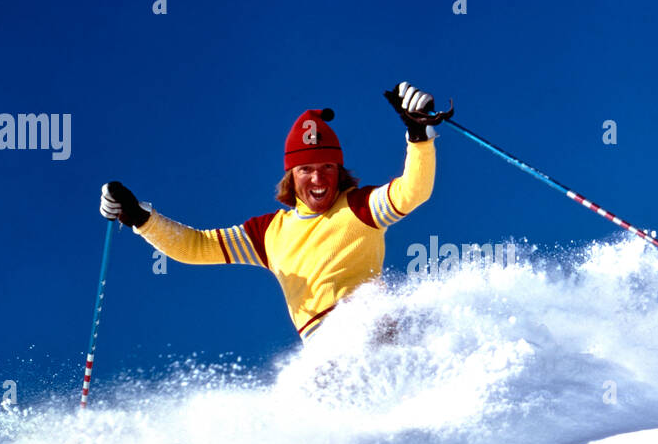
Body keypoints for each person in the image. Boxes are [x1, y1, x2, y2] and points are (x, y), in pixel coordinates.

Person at [100, 83, 439, 342]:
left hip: (373, 327)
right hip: (327, 350)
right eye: (306, 169)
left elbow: (414, 191)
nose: (318, 179)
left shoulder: (359, 207)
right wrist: (140, 218)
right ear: (291, 176)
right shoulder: (268, 233)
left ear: (340, 171)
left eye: (327, 167)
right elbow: (195, 246)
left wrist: (419, 136)